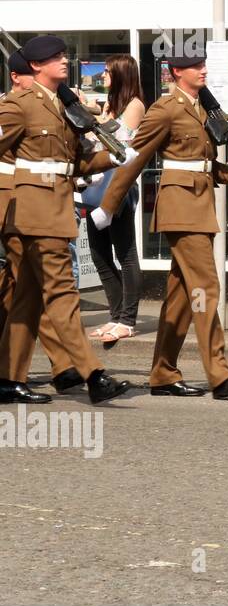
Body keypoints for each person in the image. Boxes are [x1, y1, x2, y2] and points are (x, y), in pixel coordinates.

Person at [92, 46, 228, 400]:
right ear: (175, 73)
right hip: (180, 208)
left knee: (183, 295)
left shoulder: (202, 108)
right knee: (206, 288)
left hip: (199, 206)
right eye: (195, 66)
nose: (202, 70)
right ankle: (220, 374)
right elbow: (133, 159)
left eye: (202, 64)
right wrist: (108, 206)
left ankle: (163, 373)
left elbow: (205, 166)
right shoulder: (166, 110)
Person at [0, 35, 131, 405]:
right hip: (34, 212)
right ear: (36, 66)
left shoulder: (64, 105)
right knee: (61, 294)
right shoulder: (19, 104)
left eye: (62, 55)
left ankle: (8, 379)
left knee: (26, 300)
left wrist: (112, 158)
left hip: (55, 207)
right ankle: (94, 374)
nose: (63, 60)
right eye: (54, 57)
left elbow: (74, 164)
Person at [0, 47, 78, 386]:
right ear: (18, 77)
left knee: (23, 291)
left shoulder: (48, 106)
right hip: (10, 203)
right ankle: (63, 365)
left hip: (35, 205)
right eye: (33, 78)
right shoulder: (13, 108)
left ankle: (15, 372)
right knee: (39, 288)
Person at [83, 53, 145, 347]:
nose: (103, 76)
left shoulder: (135, 106)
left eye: (107, 72)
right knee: (99, 252)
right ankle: (115, 313)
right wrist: (93, 113)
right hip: (95, 188)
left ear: (121, 74)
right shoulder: (109, 103)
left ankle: (128, 320)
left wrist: (97, 117)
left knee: (125, 252)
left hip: (117, 187)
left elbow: (116, 141)